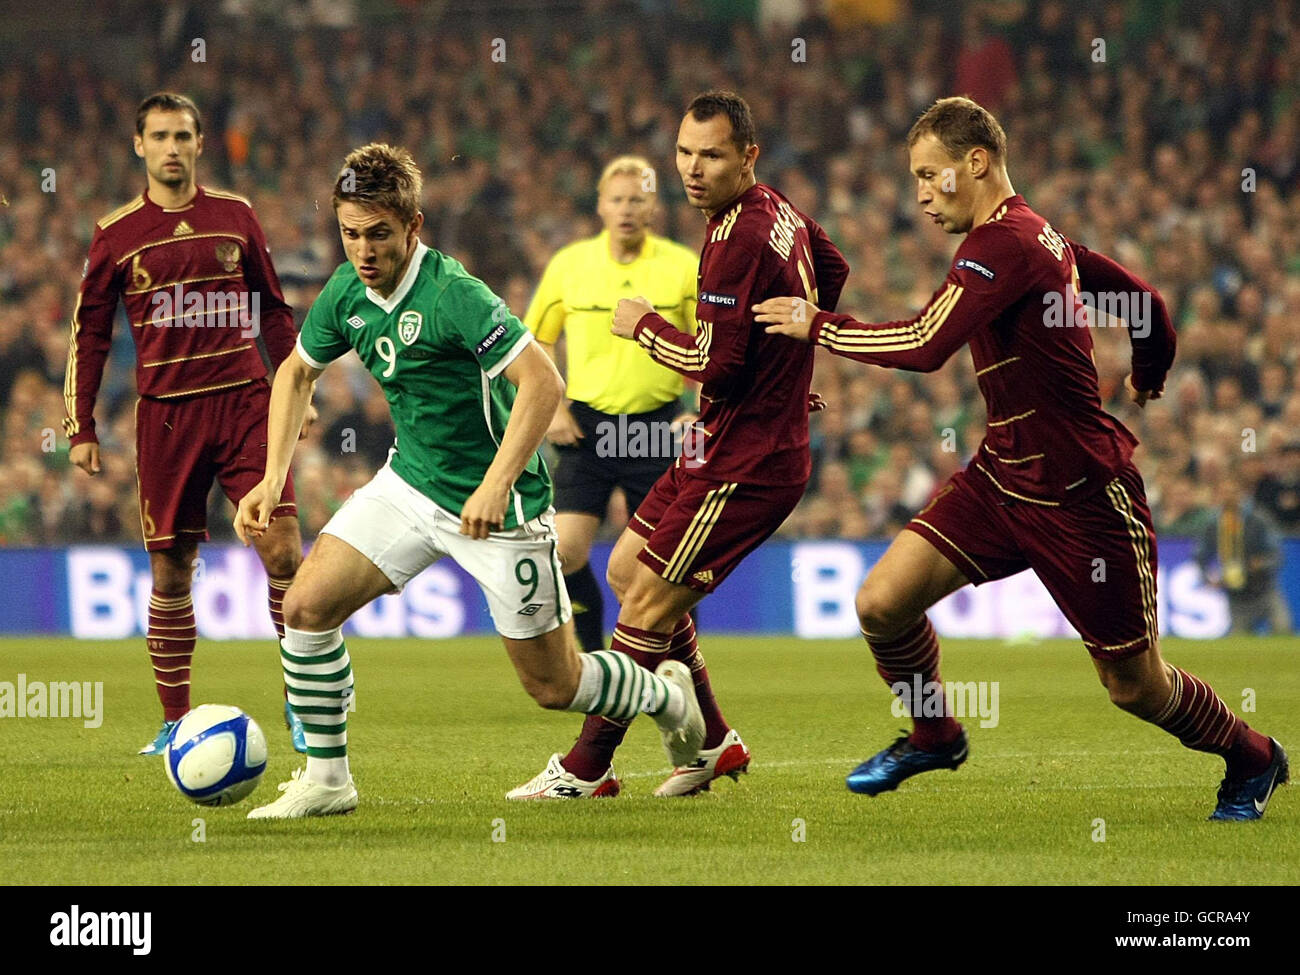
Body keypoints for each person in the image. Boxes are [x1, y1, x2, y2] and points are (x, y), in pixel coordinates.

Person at [757, 95, 1287, 821]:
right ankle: (935, 732)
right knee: (880, 603)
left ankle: (1254, 756)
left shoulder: (1005, 244)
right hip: (1002, 480)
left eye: (928, 173)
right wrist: (1148, 373)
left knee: (1136, 686)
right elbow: (1146, 305)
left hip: (1085, 497)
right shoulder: (1044, 241)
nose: (918, 193)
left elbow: (923, 343)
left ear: (976, 162)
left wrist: (816, 324)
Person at [234, 143, 704, 819]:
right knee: (304, 609)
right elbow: (296, 372)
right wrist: (271, 475)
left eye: (379, 234)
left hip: (501, 506)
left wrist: (495, 482)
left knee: (554, 683)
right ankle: (327, 778)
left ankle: (665, 695)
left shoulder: (455, 295)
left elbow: (543, 383)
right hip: (409, 484)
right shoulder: (345, 291)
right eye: (350, 233)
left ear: (414, 227)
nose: (363, 250)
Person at [510, 90, 849, 799]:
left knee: (646, 609)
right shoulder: (775, 209)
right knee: (629, 571)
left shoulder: (738, 238)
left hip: (746, 463)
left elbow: (717, 363)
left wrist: (643, 326)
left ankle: (587, 766)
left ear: (748, 155)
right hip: (723, 439)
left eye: (712, 155)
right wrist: (785, 376)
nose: (694, 169)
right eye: (685, 154)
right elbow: (832, 267)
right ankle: (715, 742)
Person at [64, 92, 310, 755]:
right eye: (160, 136)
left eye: (183, 135)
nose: (172, 147)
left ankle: (303, 703)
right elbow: (88, 333)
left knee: (283, 547)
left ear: (201, 144)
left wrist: (297, 387)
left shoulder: (235, 217)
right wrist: (80, 425)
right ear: (138, 146)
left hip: (246, 402)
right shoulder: (115, 233)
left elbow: (274, 309)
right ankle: (175, 718)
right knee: (173, 570)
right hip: (167, 418)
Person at [524, 155, 699, 656]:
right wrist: (553, 408)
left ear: (653, 209)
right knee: (564, 549)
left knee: (666, 559)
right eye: (617, 199)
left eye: (637, 200)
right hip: (588, 426)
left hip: (660, 425)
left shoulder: (681, 266)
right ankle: (592, 651)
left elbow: (712, 344)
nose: (626, 209)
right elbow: (536, 340)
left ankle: (679, 660)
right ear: (601, 206)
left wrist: (699, 408)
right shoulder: (570, 265)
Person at [1198, 475, 1290, 635]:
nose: (1229, 496)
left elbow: (1276, 554)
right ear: (1218, 495)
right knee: (1240, 638)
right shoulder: (1213, 524)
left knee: (1283, 629)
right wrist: (1208, 577)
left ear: (1241, 494)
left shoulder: (1258, 519)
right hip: (1236, 594)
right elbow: (1200, 556)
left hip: (1264, 589)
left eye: (1233, 492)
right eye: (1224, 492)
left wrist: (1261, 564)